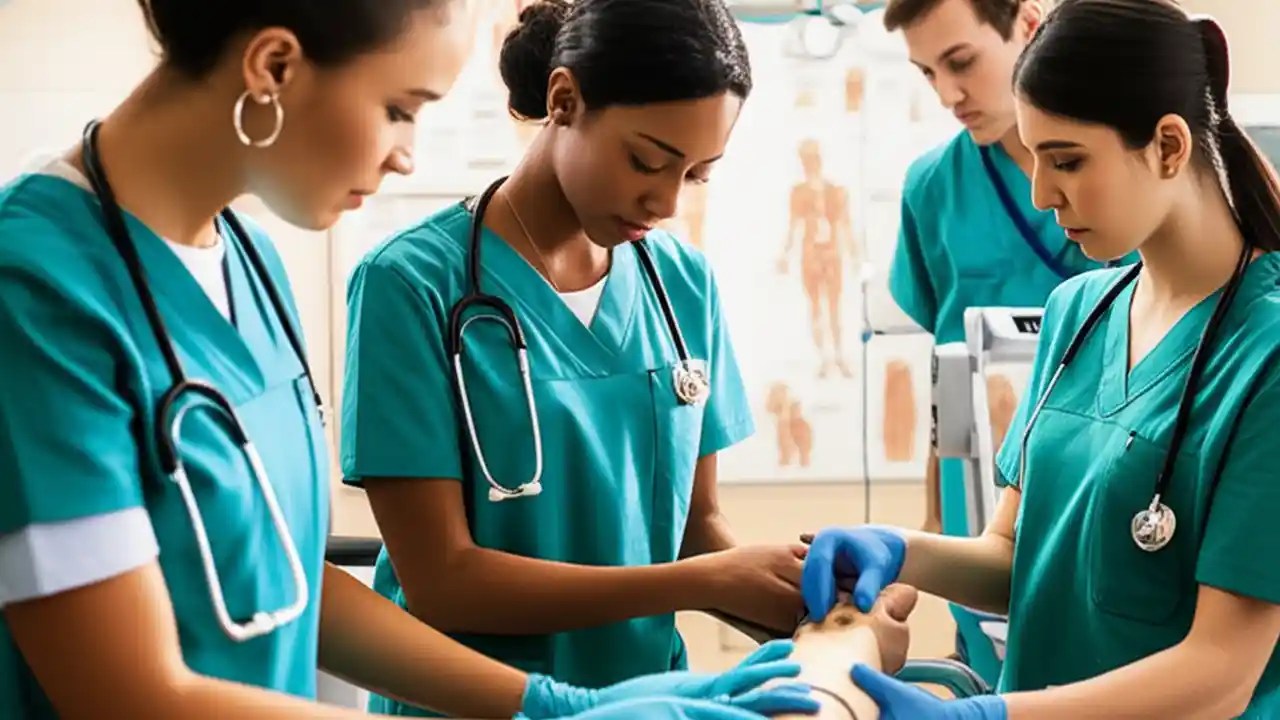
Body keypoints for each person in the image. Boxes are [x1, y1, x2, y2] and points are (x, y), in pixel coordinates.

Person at [0, 2, 823, 718]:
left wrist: (553, 706)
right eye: (400, 109)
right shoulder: (37, 289)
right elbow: (128, 696)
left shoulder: (247, 262)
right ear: (274, 65)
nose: (406, 156)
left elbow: (296, 585)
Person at [338, 0, 818, 714]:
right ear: (564, 100)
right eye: (646, 161)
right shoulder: (410, 284)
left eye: (696, 174)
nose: (666, 201)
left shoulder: (681, 283)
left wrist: (807, 606)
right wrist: (702, 581)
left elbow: (696, 529)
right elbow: (442, 580)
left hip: (650, 702)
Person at [803, 1, 1280, 717]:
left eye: (1067, 161)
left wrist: (989, 715)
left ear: (1168, 146)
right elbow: (1015, 558)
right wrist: (899, 550)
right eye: (1035, 158)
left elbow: (1221, 672)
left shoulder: (1265, 354)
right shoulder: (1077, 313)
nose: (1040, 193)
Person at [877, 0, 1131, 684]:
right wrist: (924, 541)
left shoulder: (1133, 179)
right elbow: (949, 383)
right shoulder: (935, 188)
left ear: (1027, 24)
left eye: (961, 62)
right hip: (987, 527)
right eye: (927, 73)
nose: (948, 94)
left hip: (1116, 504)